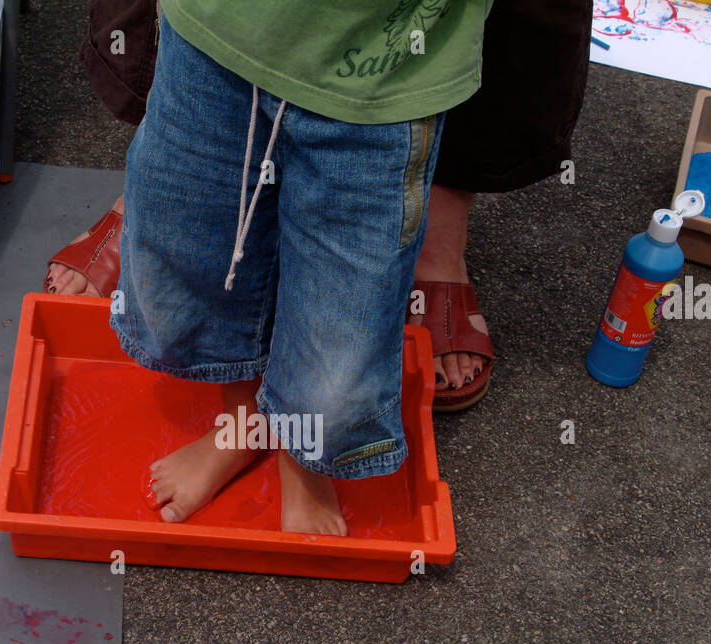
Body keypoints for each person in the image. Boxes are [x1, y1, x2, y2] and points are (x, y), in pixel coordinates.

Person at [48, 0, 593, 413]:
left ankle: (438, 236)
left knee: (349, 297)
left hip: (394, 70)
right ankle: (240, 418)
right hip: (214, 30)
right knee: (190, 206)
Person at [102, 2, 490, 535]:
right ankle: (243, 424)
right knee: (197, 261)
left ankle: (302, 458)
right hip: (218, 34)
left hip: (382, 73)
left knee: (341, 342)